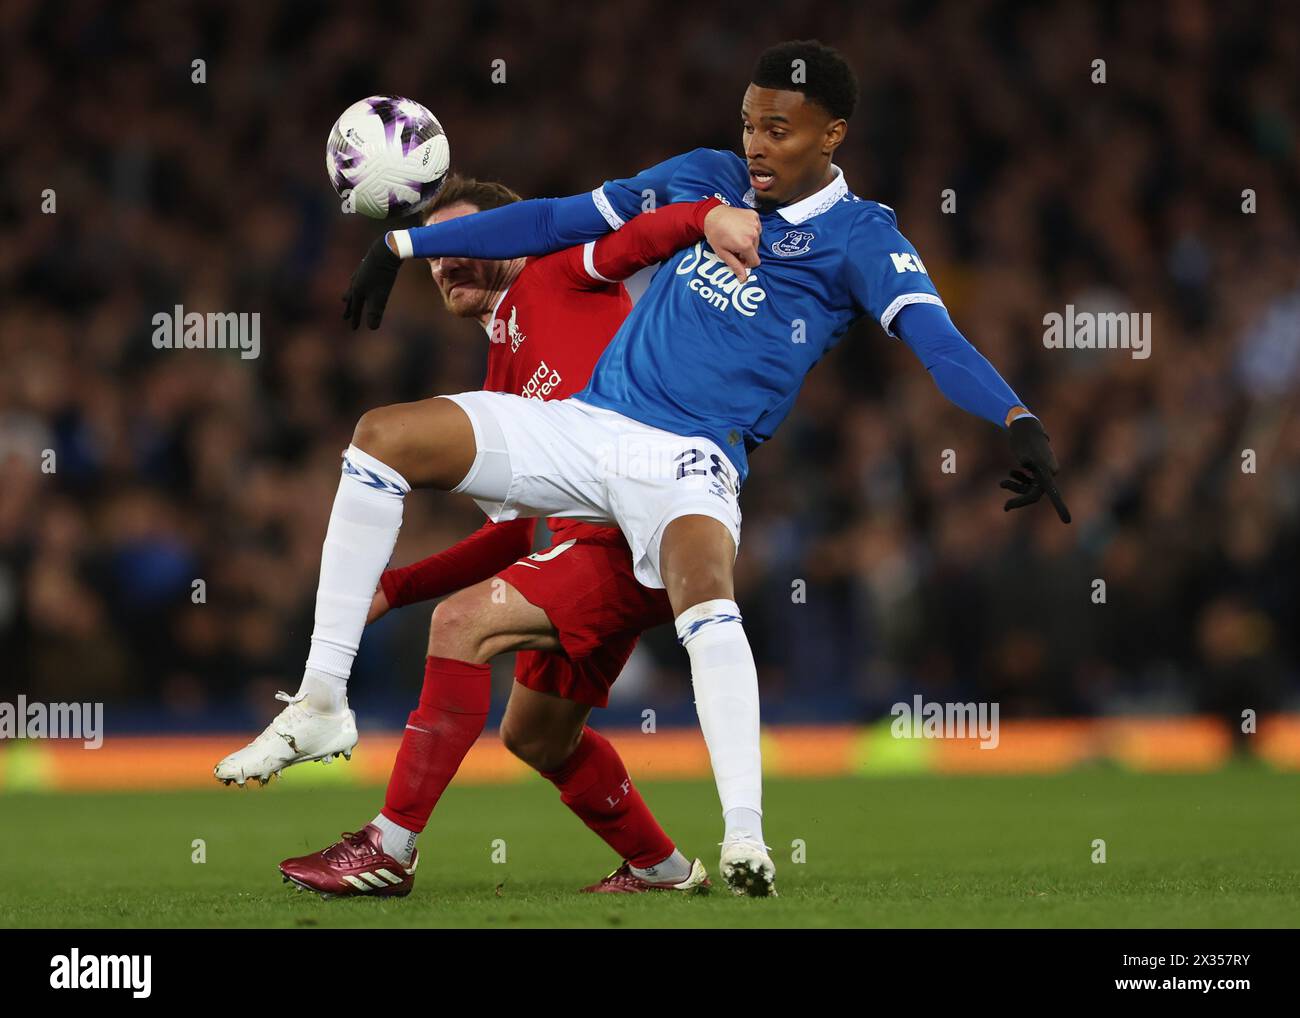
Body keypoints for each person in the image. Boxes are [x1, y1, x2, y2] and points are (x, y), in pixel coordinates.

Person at [241, 40, 1070, 897]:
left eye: (778, 129)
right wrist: (403, 247)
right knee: (385, 438)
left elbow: (934, 337)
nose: (755, 144)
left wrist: (1017, 417)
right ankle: (322, 702)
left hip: (692, 458)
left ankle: (744, 836)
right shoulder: (702, 176)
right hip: (591, 426)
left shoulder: (864, 236)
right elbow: (559, 218)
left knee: (700, 600)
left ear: (833, 136)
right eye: (749, 123)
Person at [221, 176, 744, 896]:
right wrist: (392, 588)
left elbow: (638, 236)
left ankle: (389, 846)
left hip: (640, 533)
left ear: (510, 237)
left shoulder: (561, 269)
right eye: (435, 256)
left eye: (464, 243)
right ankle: (663, 871)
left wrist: (708, 218)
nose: (445, 262)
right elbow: (509, 538)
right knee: (536, 736)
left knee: (462, 624)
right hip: (588, 550)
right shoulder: (502, 372)